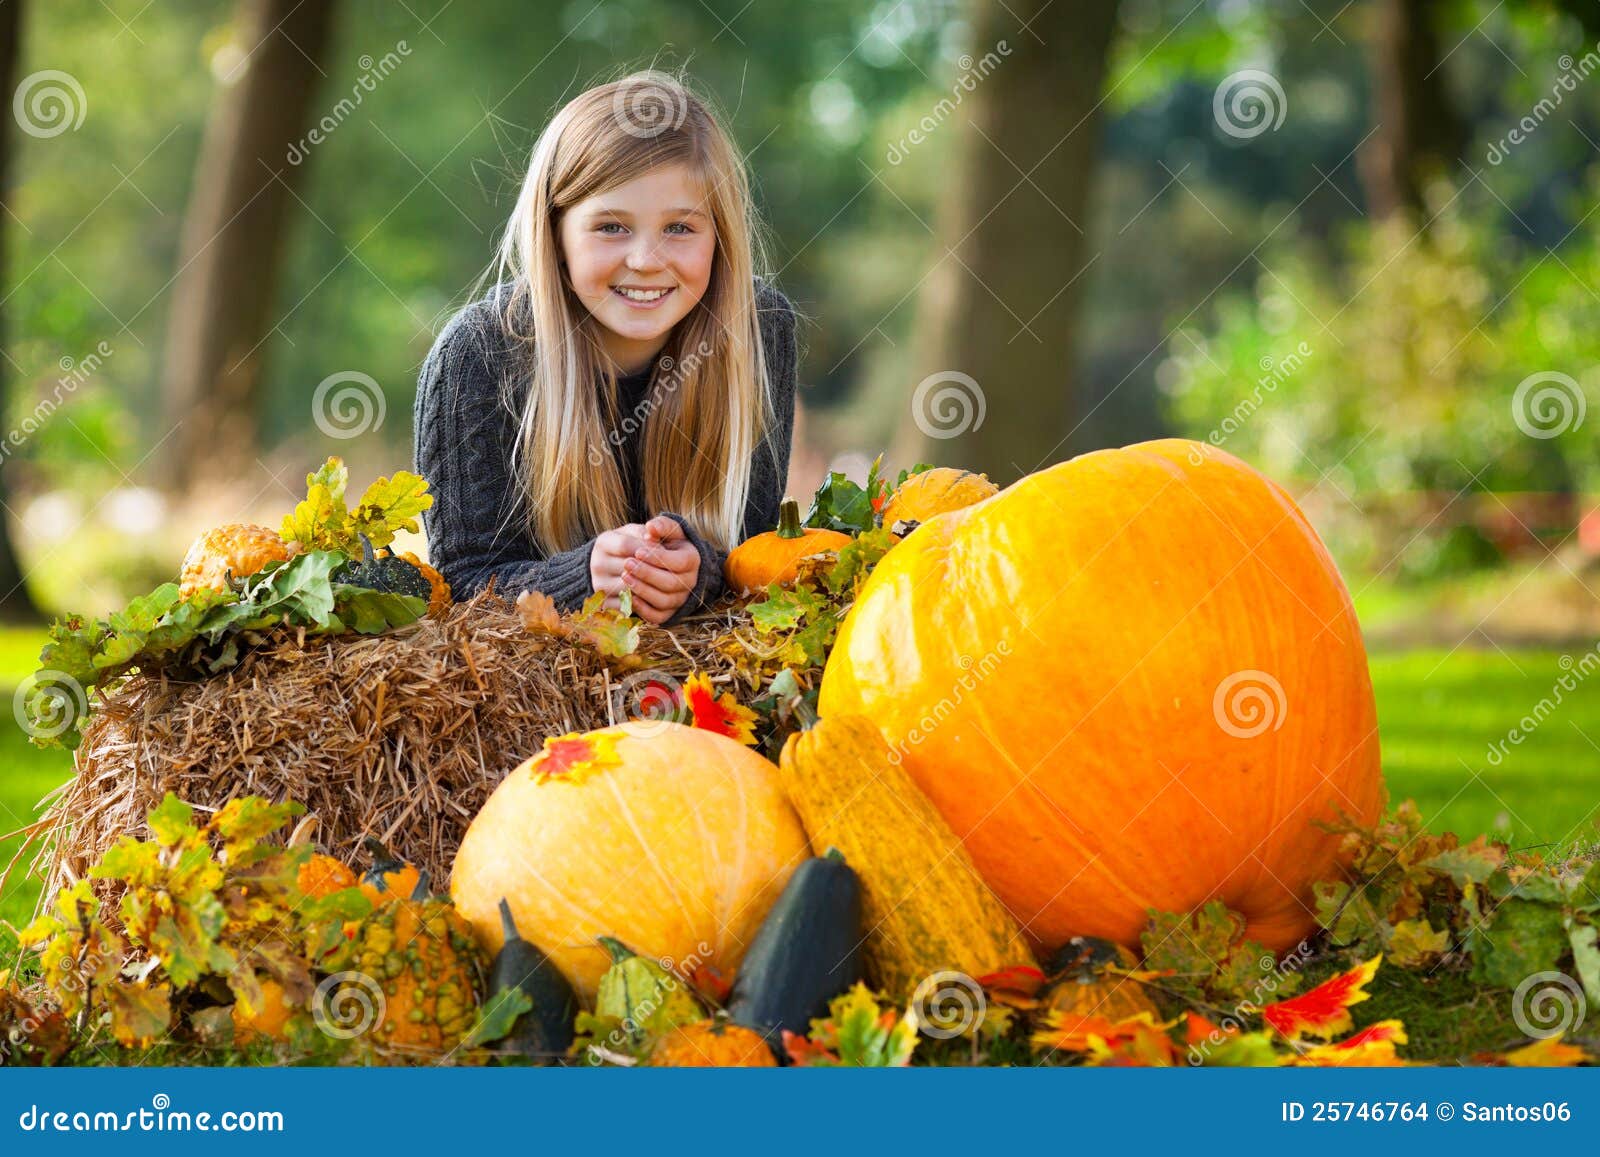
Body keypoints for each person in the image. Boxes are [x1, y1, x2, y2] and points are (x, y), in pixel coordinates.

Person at [413, 69, 798, 626]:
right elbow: (462, 585)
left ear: (721, 235)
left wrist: (697, 575)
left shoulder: (757, 333)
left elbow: (755, 555)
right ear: (556, 234)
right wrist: (584, 576)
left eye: (681, 228)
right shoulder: (479, 355)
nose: (645, 259)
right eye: (611, 227)